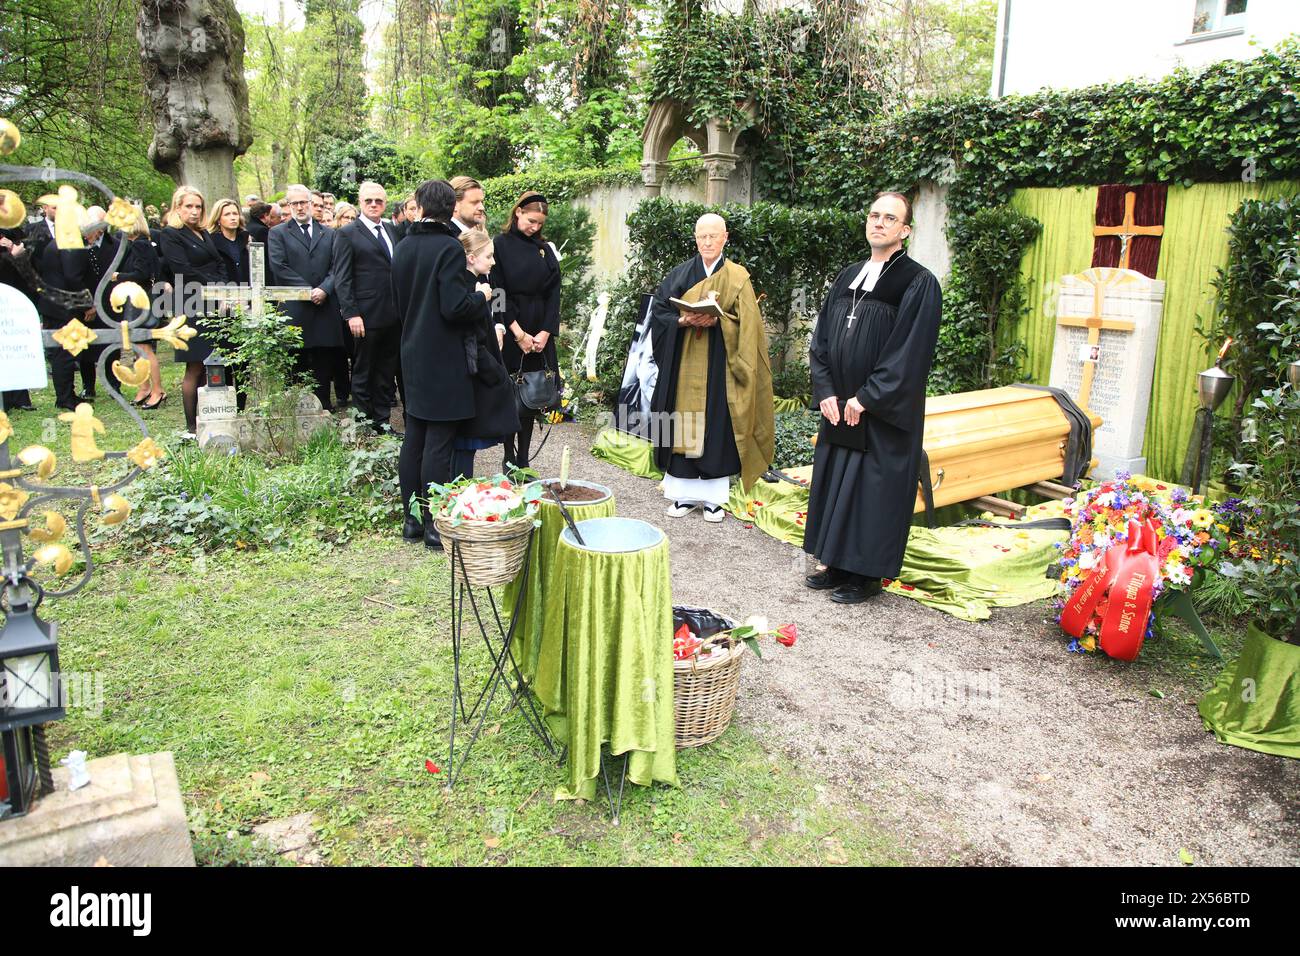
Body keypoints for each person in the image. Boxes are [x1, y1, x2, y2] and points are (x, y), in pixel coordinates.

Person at [802, 191, 943, 604]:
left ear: (905, 231)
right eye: (874, 215)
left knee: (871, 491)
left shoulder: (918, 283)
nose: (878, 222)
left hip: (879, 412)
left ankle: (865, 576)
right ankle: (836, 563)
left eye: (889, 218)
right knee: (838, 482)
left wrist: (866, 398)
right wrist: (827, 391)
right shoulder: (848, 275)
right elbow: (822, 339)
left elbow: (910, 353)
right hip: (838, 407)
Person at [647, 213, 774, 523]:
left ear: (725, 238)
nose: (707, 242)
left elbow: (749, 326)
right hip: (685, 359)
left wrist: (720, 321)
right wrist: (682, 320)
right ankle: (683, 495)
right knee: (683, 421)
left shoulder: (737, 277)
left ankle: (715, 499)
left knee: (717, 424)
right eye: (701, 236)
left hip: (721, 361)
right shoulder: (679, 274)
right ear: (695, 239)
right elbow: (659, 312)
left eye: (713, 236)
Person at [392, 179, 492, 549]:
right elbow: (454, 307)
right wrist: (479, 296)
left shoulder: (402, 247)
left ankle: (412, 521)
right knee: (438, 443)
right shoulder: (449, 248)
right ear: (451, 209)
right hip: (443, 357)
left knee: (414, 439)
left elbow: (398, 303)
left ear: (418, 206)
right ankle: (435, 525)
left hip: (412, 352)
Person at [492, 191, 561, 469]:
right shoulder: (500, 244)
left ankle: (524, 459)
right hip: (513, 328)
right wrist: (517, 333)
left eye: (540, 224)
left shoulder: (545, 249)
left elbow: (554, 292)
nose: (535, 228)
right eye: (531, 221)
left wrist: (546, 331)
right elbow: (498, 291)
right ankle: (508, 456)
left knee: (533, 397)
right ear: (518, 212)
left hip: (539, 330)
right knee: (512, 394)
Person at [158, 185, 230, 436]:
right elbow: (182, 269)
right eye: (189, 206)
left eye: (198, 206)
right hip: (190, 303)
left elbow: (219, 263)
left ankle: (207, 419)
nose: (194, 211)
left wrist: (220, 286)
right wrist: (214, 284)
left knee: (212, 362)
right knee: (194, 365)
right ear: (178, 207)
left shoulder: (202, 233)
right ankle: (190, 427)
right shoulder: (171, 234)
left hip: (211, 303)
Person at [268, 184, 346, 410]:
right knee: (297, 358)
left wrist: (324, 289)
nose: (300, 207)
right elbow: (279, 267)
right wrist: (307, 291)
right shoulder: (278, 233)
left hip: (324, 304)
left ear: (312, 204)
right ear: (289, 206)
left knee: (323, 358)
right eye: (295, 203)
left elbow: (336, 267)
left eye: (304, 202)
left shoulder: (329, 233)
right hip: (296, 306)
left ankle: (323, 404)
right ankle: (296, 407)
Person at [331, 180, 401, 432]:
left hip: (393, 315)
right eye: (368, 200)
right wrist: (351, 313)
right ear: (360, 202)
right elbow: (342, 277)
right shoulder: (347, 233)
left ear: (385, 203)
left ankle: (382, 422)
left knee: (386, 371)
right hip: (365, 316)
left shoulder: (393, 231)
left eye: (378, 200)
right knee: (363, 370)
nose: (373, 204)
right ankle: (363, 424)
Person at [453, 227, 516, 478]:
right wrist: (495, 372)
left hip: (484, 358)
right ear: (471, 256)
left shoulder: (485, 280)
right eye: (488, 256)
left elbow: (497, 298)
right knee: (465, 442)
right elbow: (471, 337)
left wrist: (499, 324)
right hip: (475, 370)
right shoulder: (468, 288)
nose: (493, 261)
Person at [113, 204, 166, 409]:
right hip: (137, 300)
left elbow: (141, 274)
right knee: (137, 347)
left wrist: (118, 276)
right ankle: (144, 388)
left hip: (140, 301)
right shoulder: (140, 243)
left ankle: (157, 390)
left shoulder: (140, 245)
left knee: (144, 348)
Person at [208, 197, 250, 284]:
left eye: (235, 214)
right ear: (218, 219)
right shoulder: (210, 242)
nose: (233, 218)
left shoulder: (247, 239)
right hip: (224, 291)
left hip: (248, 290)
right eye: (227, 214)